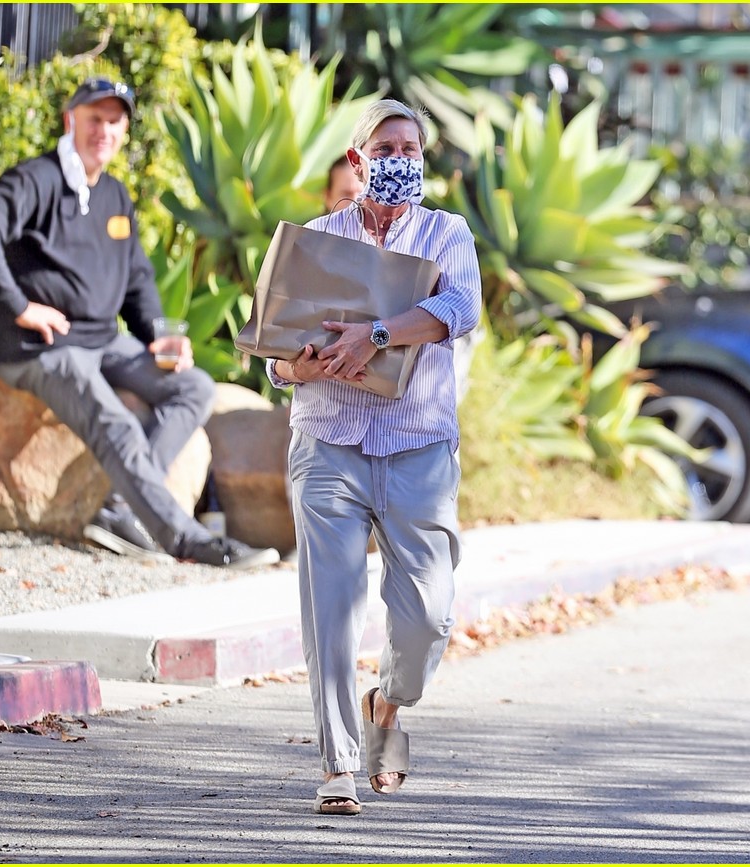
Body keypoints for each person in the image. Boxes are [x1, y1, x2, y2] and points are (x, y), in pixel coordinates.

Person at [0, 77, 279, 571]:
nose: (103, 130)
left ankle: (121, 509)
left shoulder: (114, 196)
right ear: (71, 120)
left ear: (124, 129)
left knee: (193, 388)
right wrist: (20, 306)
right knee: (118, 426)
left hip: (104, 340)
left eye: (114, 120)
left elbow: (136, 279)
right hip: (39, 348)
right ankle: (192, 542)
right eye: (93, 118)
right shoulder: (37, 179)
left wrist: (158, 335)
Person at [266, 99, 482, 815]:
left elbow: (459, 310)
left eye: (413, 149)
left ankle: (386, 704)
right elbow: (274, 356)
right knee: (330, 608)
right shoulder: (316, 241)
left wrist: (378, 334)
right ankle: (338, 764)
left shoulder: (445, 235)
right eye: (387, 148)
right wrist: (303, 365)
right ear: (358, 163)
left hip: (418, 448)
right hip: (329, 441)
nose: (402, 160)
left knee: (427, 620)